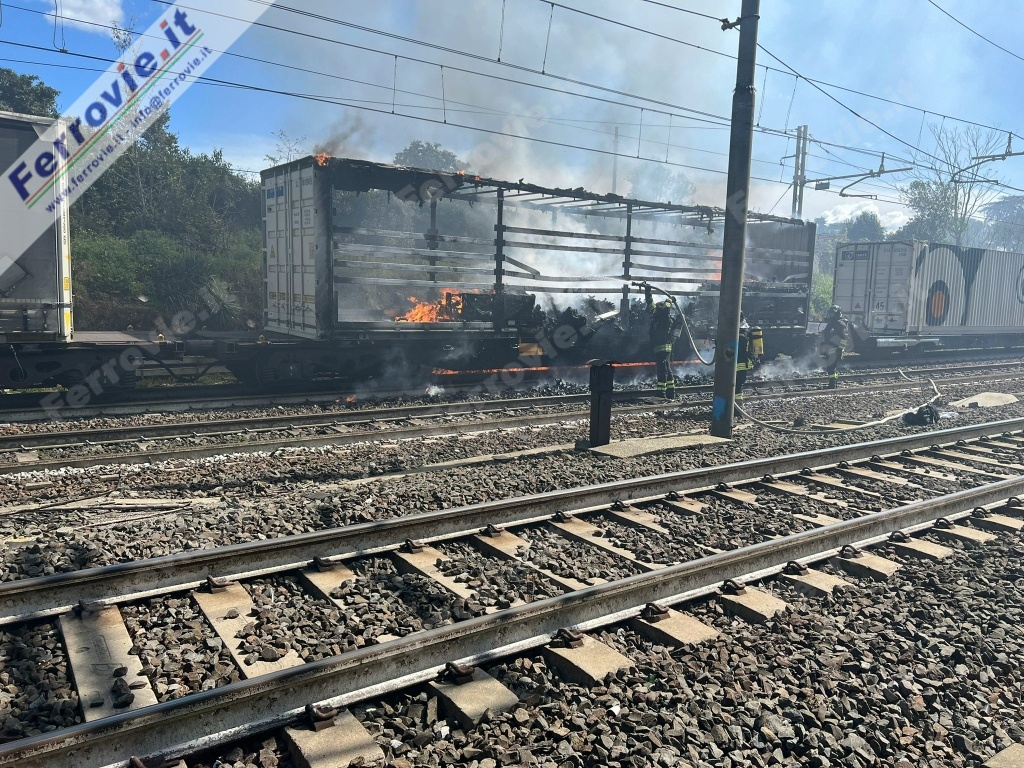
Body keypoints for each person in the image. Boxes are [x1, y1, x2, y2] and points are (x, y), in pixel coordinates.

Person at [645, 284, 682, 399]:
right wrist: (647, 291)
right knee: (666, 368)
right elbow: (650, 304)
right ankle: (671, 392)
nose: (653, 311)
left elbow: (666, 308)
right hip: (659, 346)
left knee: (662, 369)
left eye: (657, 310)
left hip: (664, 347)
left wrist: (670, 299)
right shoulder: (656, 317)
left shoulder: (665, 319)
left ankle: (661, 392)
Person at [821, 305, 848, 389]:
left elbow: (844, 338)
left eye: (833, 314)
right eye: (830, 314)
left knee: (831, 368)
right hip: (830, 349)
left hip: (835, 349)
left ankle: (832, 385)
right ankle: (833, 384)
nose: (831, 316)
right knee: (830, 368)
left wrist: (840, 350)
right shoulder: (833, 322)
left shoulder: (840, 324)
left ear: (837, 314)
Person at [735, 312, 756, 410]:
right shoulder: (746, 331)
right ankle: (737, 407)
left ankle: (736, 408)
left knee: (736, 387)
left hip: (737, 364)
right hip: (741, 364)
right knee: (737, 387)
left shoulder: (740, 334)